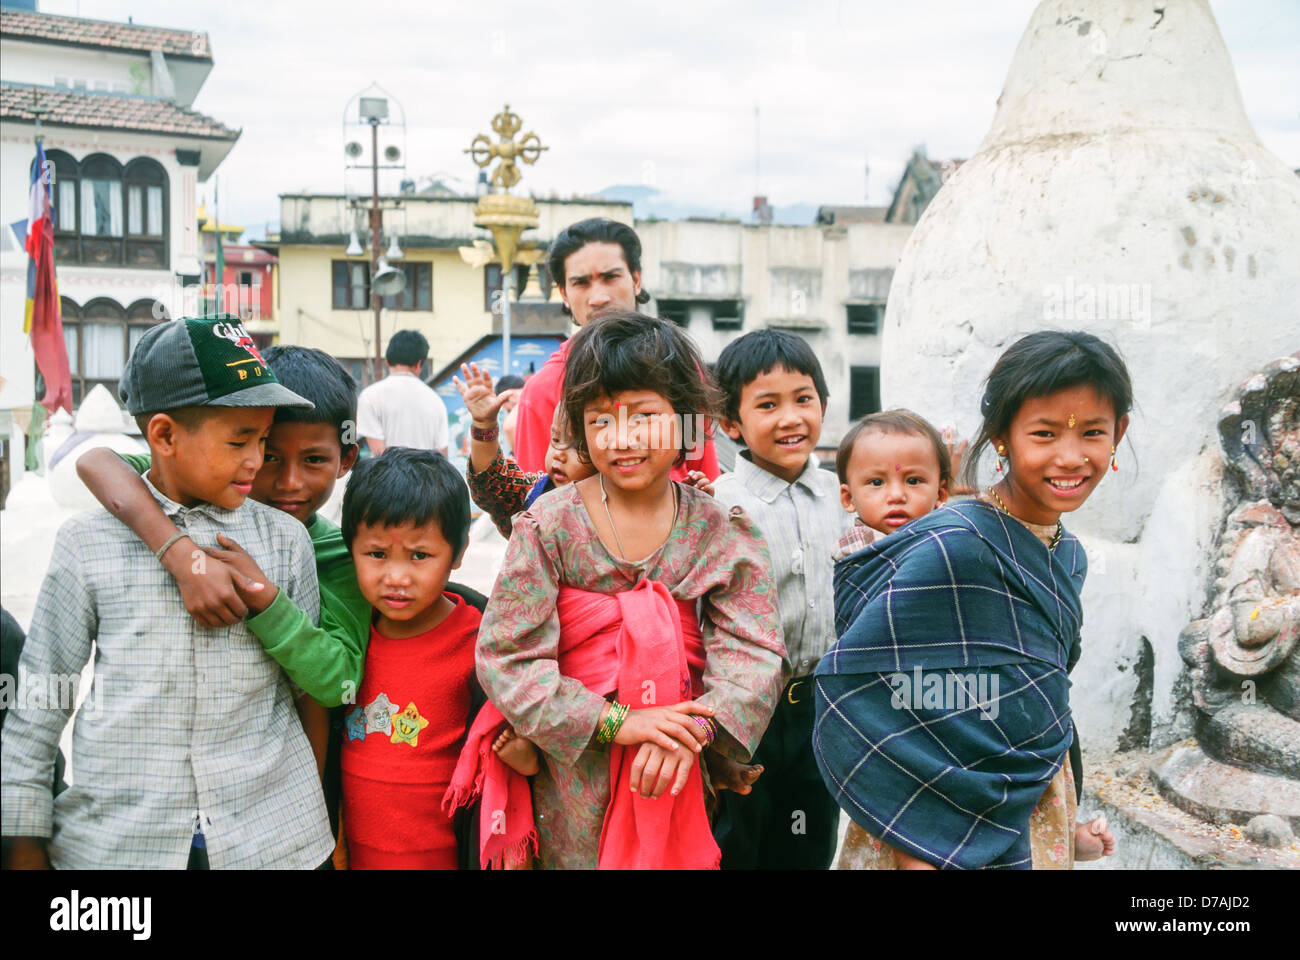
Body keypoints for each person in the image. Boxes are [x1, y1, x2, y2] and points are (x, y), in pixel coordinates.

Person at [1, 316, 333, 869]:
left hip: (274, 841)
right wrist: (23, 840)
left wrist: (314, 825)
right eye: (239, 440)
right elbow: (42, 699)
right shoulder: (89, 544)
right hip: (125, 844)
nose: (257, 460)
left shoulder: (285, 541)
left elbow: (305, 695)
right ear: (164, 436)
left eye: (263, 440)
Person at [476, 312, 786, 869]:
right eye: (600, 421)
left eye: (643, 416)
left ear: (687, 421)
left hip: (680, 771)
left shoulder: (721, 530)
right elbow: (506, 656)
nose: (621, 439)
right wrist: (618, 723)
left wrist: (690, 730)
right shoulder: (549, 525)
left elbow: (754, 652)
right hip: (569, 775)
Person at [814, 330, 1127, 870]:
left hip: (1034, 802)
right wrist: (923, 839)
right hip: (927, 825)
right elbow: (861, 685)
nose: (1071, 457)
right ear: (1001, 436)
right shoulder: (956, 541)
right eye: (1045, 434)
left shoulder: (1068, 553)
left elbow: (1036, 690)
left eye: (1093, 432)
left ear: (1118, 434)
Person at [74, 345, 367, 858]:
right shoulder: (194, 513)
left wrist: (266, 600)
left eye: (314, 460)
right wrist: (178, 552)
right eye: (263, 451)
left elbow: (333, 684)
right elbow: (98, 460)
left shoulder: (345, 558)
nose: (284, 480)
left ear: (347, 458)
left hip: (316, 782)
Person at [338, 448, 534, 869]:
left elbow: (521, 746)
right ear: (349, 546)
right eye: (376, 554)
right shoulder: (347, 634)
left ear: (458, 554)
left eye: (420, 556)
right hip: (359, 854)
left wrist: (525, 756)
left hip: (446, 855)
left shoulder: (482, 639)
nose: (396, 577)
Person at [708, 329, 849, 869]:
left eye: (803, 399)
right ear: (731, 423)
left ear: (824, 405)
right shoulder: (719, 503)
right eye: (767, 405)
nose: (790, 418)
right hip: (747, 714)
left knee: (810, 838)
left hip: (821, 708)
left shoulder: (844, 496)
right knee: (739, 843)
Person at [511, 218, 719, 481]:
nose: (599, 297)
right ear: (563, 294)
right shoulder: (544, 389)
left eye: (610, 277)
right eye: (581, 283)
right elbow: (532, 502)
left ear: (636, 279)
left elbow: (702, 474)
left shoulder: (680, 366)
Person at [454, 361, 714, 538]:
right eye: (555, 440)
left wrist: (695, 502)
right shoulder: (535, 495)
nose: (559, 454)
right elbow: (492, 481)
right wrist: (484, 425)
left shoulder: (635, 504)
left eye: (577, 448)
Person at [356, 329, 449, 456]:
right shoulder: (436, 401)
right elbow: (442, 455)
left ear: (387, 361)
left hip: (387, 475)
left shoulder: (370, 396)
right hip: (426, 475)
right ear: (419, 364)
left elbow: (379, 453)